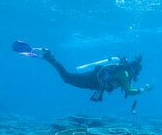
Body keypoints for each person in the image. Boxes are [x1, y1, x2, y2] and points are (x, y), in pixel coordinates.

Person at [19, 42, 152, 102]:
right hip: (93, 80)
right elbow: (129, 91)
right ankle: (50, 56)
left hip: (94, 80)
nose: (137, 74)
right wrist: (144, 89)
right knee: (67, 78)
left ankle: (48, 58)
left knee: (67, 78)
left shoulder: (123, 72)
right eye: (137, 71)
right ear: (133, 68)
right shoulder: (124, 73)